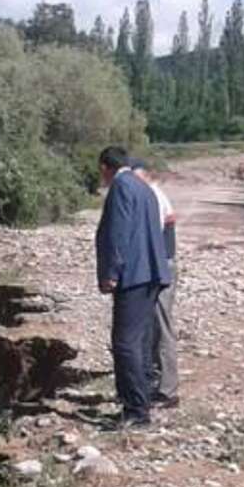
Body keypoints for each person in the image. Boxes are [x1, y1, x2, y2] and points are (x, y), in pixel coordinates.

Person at [95, 146, 172, 428]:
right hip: (152, 273)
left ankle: (136, 411)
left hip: (134, 276)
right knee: (139, 342)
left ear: (105, 167)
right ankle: (141, 402)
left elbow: (118, 233)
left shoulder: (121, 187)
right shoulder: (144, 188)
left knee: (125, 344)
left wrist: (111, 273)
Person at [132, 161, 181, 408]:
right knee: (155, 327)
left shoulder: (152, 196)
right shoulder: (155, 194)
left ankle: (168, 390)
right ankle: (157, 384)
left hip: (161, 269)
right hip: (161, 267)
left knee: (162, 328)